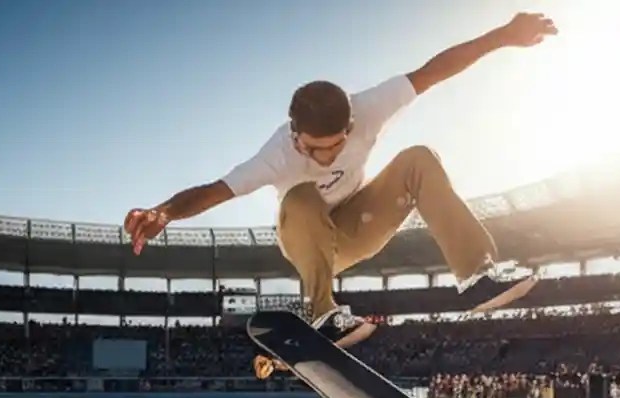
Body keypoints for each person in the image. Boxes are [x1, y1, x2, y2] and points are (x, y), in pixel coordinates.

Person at [125, 12, 557, 347]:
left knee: (418, 159)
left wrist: (502, 35)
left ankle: (476, 273)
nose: (327, 157)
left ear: (350, 123)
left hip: (359, 226)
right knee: (300, 196)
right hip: (308, 241)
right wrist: (163, 211)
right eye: (314, 149)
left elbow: (435, 70)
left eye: (337, 145)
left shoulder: (370, 107)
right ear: (295, 133)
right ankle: (321, 312)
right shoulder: (275, 155)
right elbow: (214, 191)